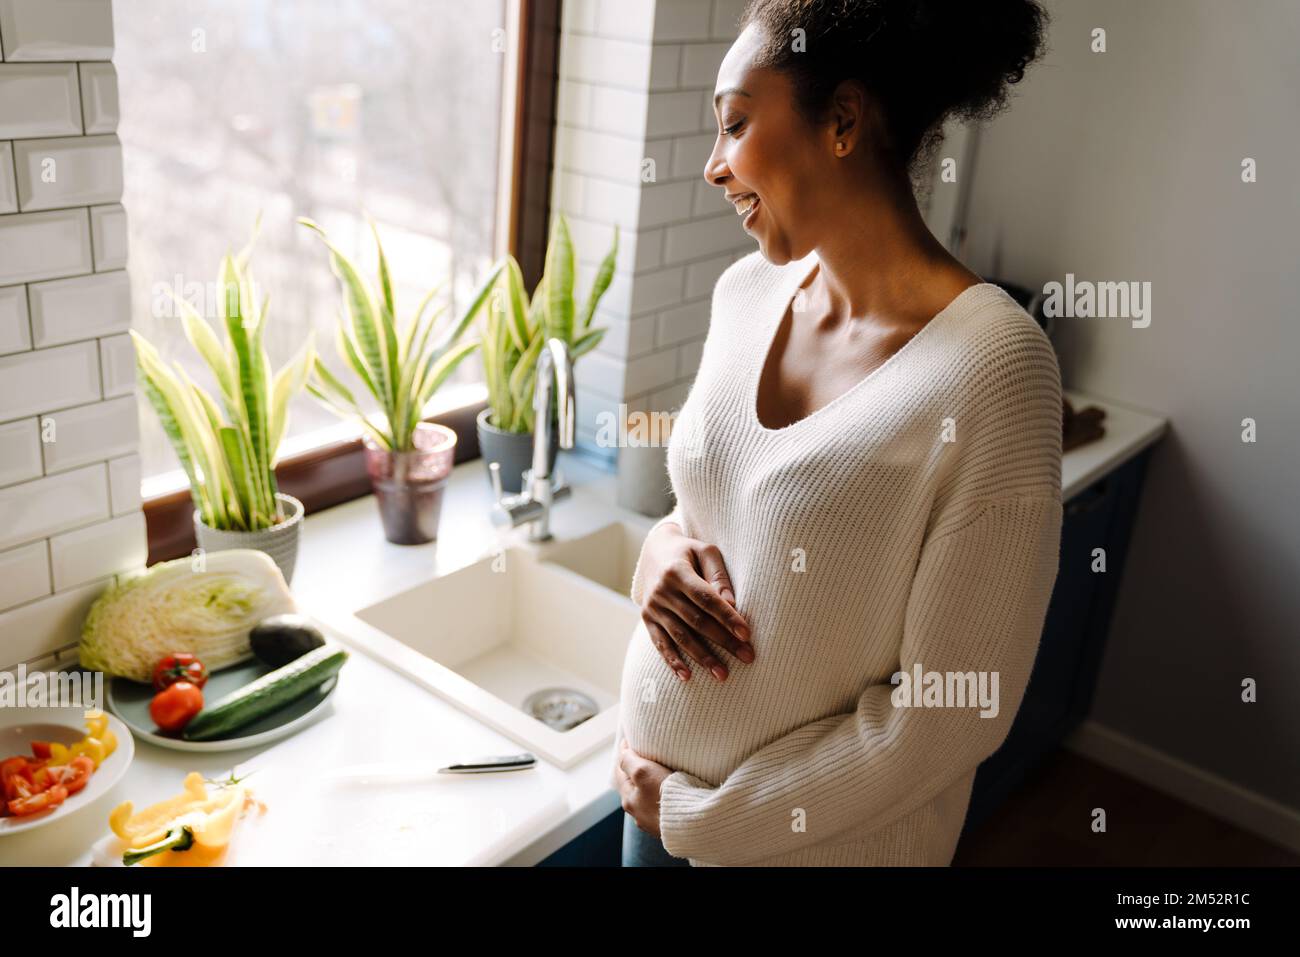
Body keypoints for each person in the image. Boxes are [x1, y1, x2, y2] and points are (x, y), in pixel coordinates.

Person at [613, 0, 1061, 867]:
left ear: (844, 121)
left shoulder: (996, 368)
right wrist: (659, 555)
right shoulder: (744, 295)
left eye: (736, 123)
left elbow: (949, 713)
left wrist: (704, 820)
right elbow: (719, 508)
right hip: (655, 818)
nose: (713, 165)